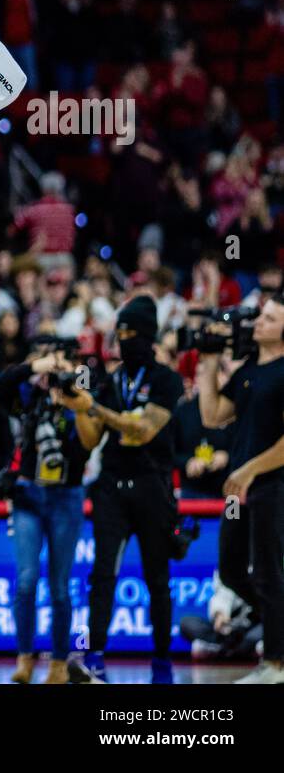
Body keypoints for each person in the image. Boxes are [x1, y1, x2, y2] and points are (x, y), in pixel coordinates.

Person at [55, 295, 184, 684]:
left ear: (147, 335)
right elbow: (91, 440)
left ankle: (162, 658)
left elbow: (143, 429)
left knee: (156, 577)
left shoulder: (166, 379)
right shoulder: (112, 379)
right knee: (102, 574)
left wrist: (96, 408)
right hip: (111, 485)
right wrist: (78, 407)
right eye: (120, 332)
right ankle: (94, 655)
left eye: (130, 333)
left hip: (153, 484)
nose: (123, 339)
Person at [0, 342, 91, 684]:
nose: (54, 368)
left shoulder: (83, 384)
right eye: (48, 360)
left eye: (61, 360)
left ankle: (60, 661)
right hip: (28, 493)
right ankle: (25, 656)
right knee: (26, 580)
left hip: (67, 494)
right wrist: (33, 368)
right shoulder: (26, 395)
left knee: (60, 586)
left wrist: (73, 392)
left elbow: (91, 436)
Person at [195, 292, 284, 684]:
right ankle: (275, 629)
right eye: (261, 317)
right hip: (238, 487)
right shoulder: (249, 368)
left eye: (269, 318)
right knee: (231, 569)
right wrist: (210, 359)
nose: (259, 323)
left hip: (270, 484)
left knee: (268, 572)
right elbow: (213, 415)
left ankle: (276, 665)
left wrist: (250, 470)